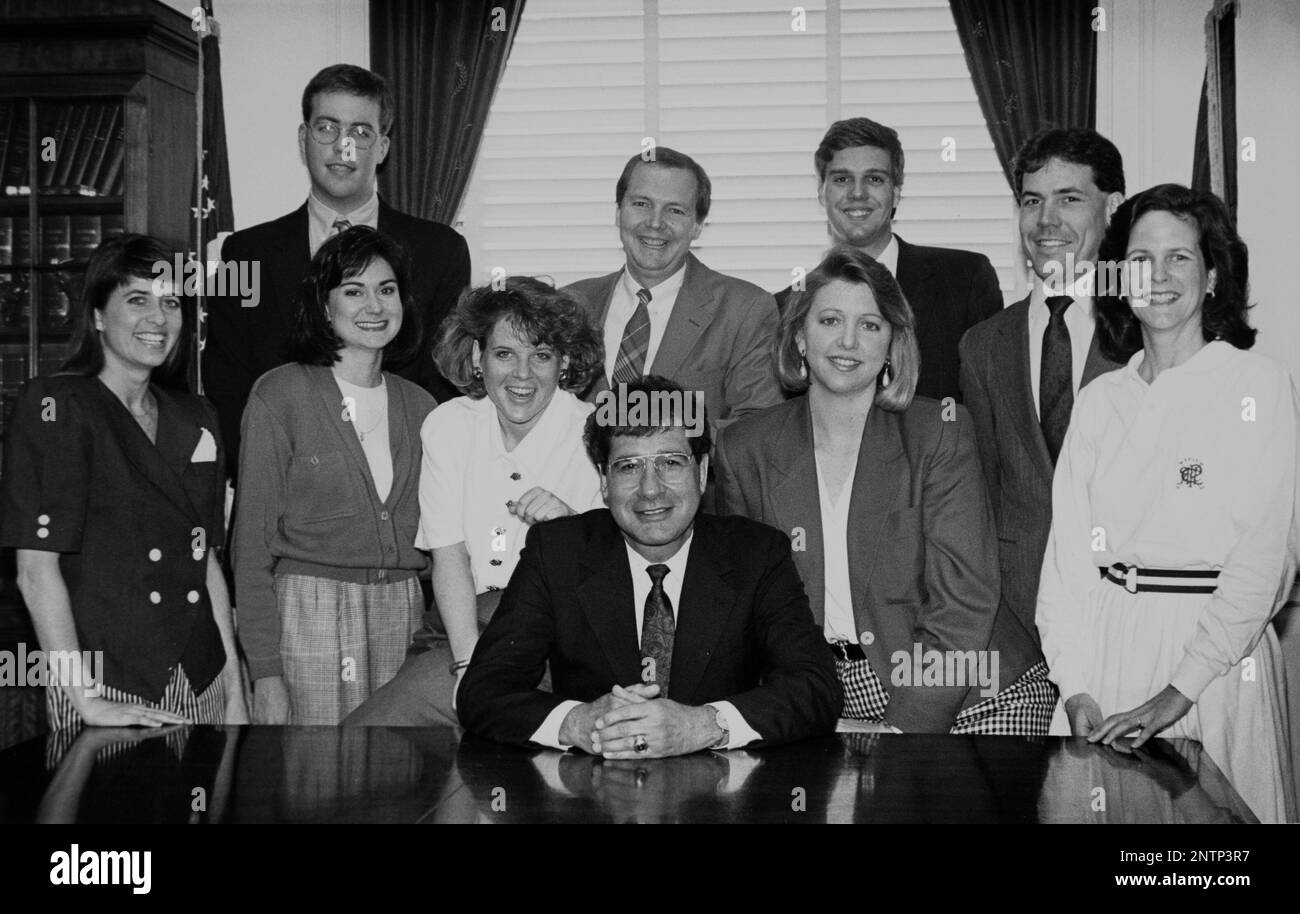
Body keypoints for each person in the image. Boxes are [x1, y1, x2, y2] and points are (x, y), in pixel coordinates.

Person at [1036, 183, 1299, 824]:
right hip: (1102, 663)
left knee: (1205, 860)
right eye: (1141, 258)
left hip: (1214, 670)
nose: (1158, 276)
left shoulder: (1255, 385)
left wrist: (1180, 692)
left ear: (1212, 278)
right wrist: (1076, 691)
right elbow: (1067, 564)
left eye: (1179, 257)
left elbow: (1267, 558)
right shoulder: (1101, 401)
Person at [716, 246, 1053, 733]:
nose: (848, 341)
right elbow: (746, 607)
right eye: (830, 320)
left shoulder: (939, 432)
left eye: (870, 325)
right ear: (799, 338)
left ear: (893, 344)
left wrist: (900, 731)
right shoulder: (743, 448)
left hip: (974, 692)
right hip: (828, 696)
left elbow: (963, 601)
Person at [456, 376, 841, 755]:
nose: (651, 489)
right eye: (628, 467)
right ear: (604, 481)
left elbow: (815, 687)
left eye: (671, 463)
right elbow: (484, 690)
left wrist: (703, 725)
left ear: (702, 472)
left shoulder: (756, 554)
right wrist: (578, 723)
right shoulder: (557, 552)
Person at [0, 234, 246, 728]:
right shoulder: (57, 406)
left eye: (171, 301)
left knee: (203, 805)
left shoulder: (197, 415)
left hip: (202, 675)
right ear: (96, 315)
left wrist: (236, 689)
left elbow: (207, 563)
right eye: (138, 300)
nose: (158, 318)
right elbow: (35, 570)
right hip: (106, 677)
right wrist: (84, 698)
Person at [344, 276, 605, 726]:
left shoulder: (597, 433)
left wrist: (572, 523)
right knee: (379, 734)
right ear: (476, 359)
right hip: (458, 624)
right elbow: (449, 555)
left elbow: (620, 570)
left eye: (540, 355)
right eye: (504, 354)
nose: (522, 374)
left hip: (558, 638)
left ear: (563, 363)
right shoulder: (449, 425)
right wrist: (468, 667)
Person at [204, 64, 470, 475]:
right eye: (327, 128)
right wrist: (271, 471)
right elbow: (227, 383)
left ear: (382, 148)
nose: (343, 147)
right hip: (282, 489)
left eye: (361, 133)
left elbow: (447, 384)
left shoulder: (441, 250)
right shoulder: (245, 254)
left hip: (405, 487)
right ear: (302, 139)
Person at [233, 226, 436, 724]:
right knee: (315, 788)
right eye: (353, 290)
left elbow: (439, 541)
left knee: (398, 784)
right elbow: (251, 549)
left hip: (403, 614)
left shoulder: (423, 407)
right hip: (308, 615)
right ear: (324, 307)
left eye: (386, 290)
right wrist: (265, 674)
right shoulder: (279, 395)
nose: (374, 305)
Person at [959, 127, 1126, 721]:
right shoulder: (982, 345)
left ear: (1115, 207)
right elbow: (979, 500)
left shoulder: (1146, 335)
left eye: (1069, 198)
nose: (1046, 220)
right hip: (1018, 630)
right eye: (1032, 201)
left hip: (1129, 619)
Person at [774, 117, 1003, 402]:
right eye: (842, 179)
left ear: (895, 193)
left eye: (874, 179)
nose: (857, 193)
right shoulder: (786, 305)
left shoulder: (964, 279)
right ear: (822, 192)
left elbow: (995, 400)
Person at [563, 148, 783, 432]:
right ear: (618, 213)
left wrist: (672, 456)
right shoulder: (570, 306)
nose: (655, 223)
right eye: (641, 204)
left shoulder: (745, 310)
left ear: (698, 226)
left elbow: (756, 430)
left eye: (675, 210)